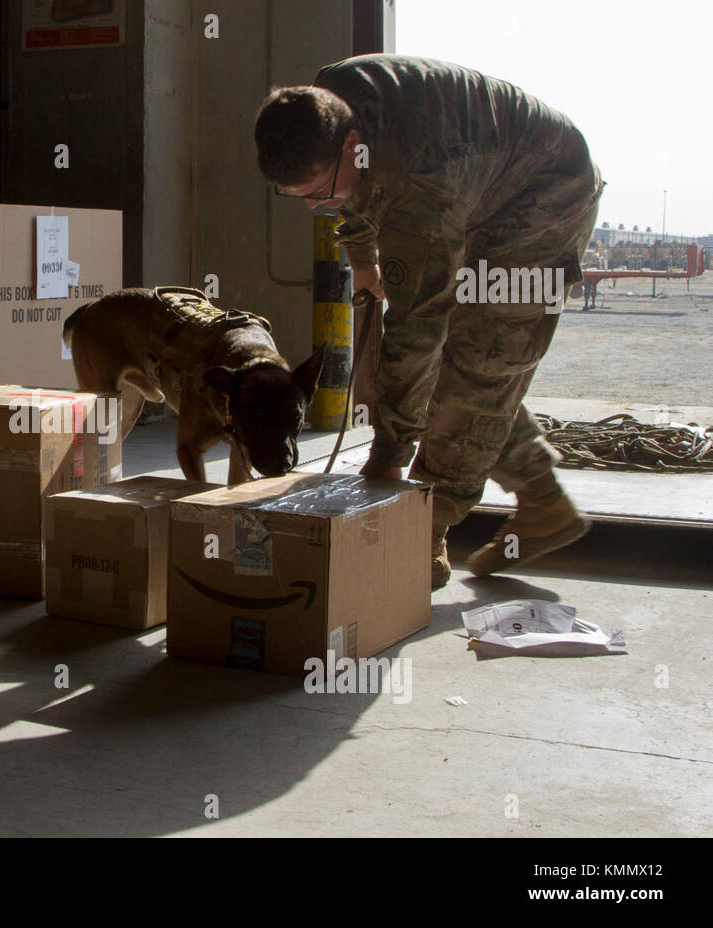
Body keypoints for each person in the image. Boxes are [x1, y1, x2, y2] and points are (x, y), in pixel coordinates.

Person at [254, 54, 605, 589]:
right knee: (464, 361)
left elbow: (418, 328)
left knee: (480, 363)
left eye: (319, 192)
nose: (312, 207)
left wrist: (388, 459)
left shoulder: (420, 179)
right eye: (295, 197)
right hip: (477, 185)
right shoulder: (324, 104)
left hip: (545, 194)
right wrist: (364, 259)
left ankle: (422, 529)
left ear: (353, 146)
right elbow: (354, 194)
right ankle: (545, 500)